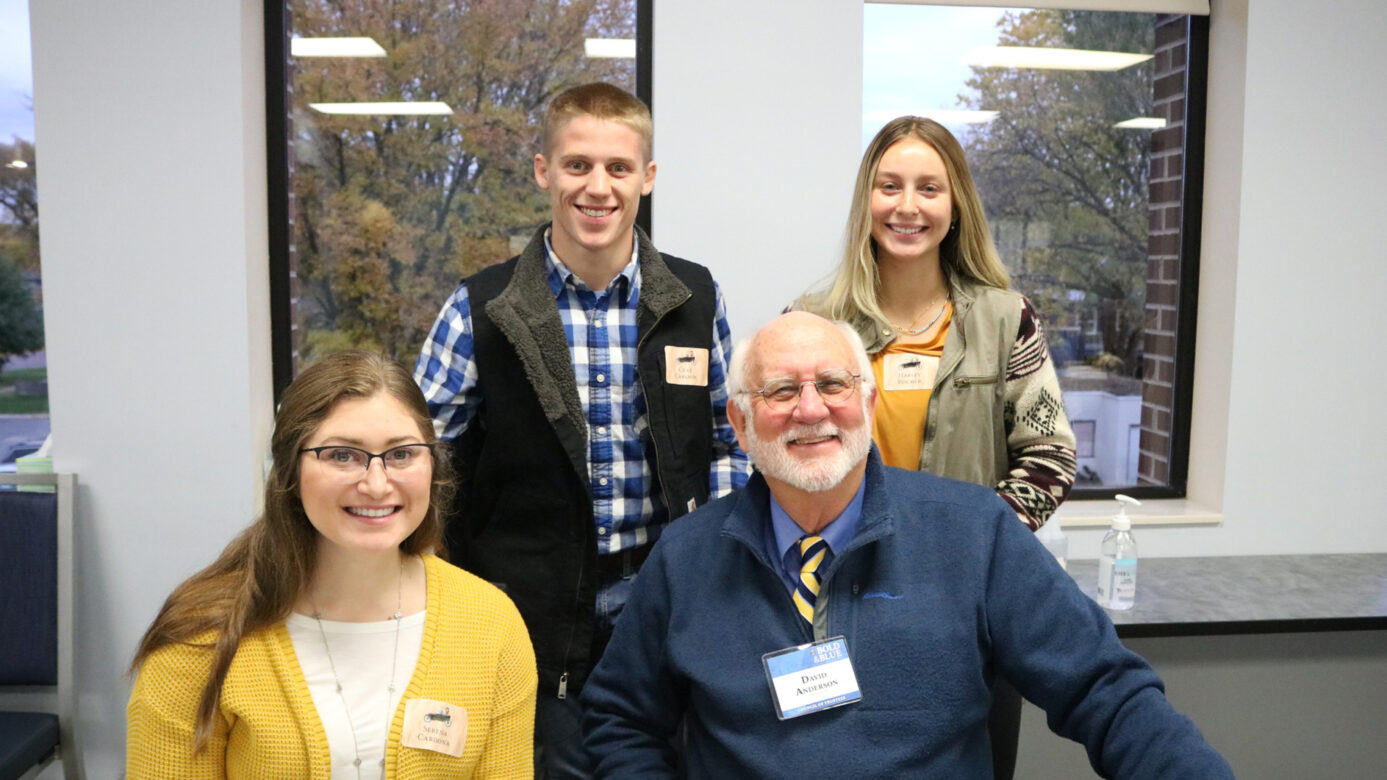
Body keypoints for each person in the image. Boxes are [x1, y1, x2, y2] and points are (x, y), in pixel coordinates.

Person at [581, 312, 1233, 779]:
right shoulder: (686, 557)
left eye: (832, 384)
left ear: (867, 403)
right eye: (781, 390)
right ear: (741, 423)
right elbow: (619, 719)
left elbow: (1105, 691)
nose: (811, 410)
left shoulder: (974, 533)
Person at [414, 82, 748, 777]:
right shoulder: (481, 307)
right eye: (577, 165)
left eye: (618, 167)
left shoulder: (694, 298)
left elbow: (728, 440)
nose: (597, 187)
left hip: (661, 595)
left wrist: (705, 554)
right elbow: (421, 459)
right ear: (544, 170)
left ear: (646, 177)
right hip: (524, 609)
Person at [127, 351, 536, 779]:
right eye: (342, 455)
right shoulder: (201, 635)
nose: (376, 484)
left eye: (401, 454)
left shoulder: (490, 623)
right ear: (289, 470)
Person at [796, 116, 1076, 532]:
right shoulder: (810, 324)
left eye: (929, 189)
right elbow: (775, 452)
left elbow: (1050, 457)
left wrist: (976, 540)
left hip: (965, 562)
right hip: (841, 557)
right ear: (866, 201)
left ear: (956, 204)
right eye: (890, 186)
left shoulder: (1007, 321)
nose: (908, 206)